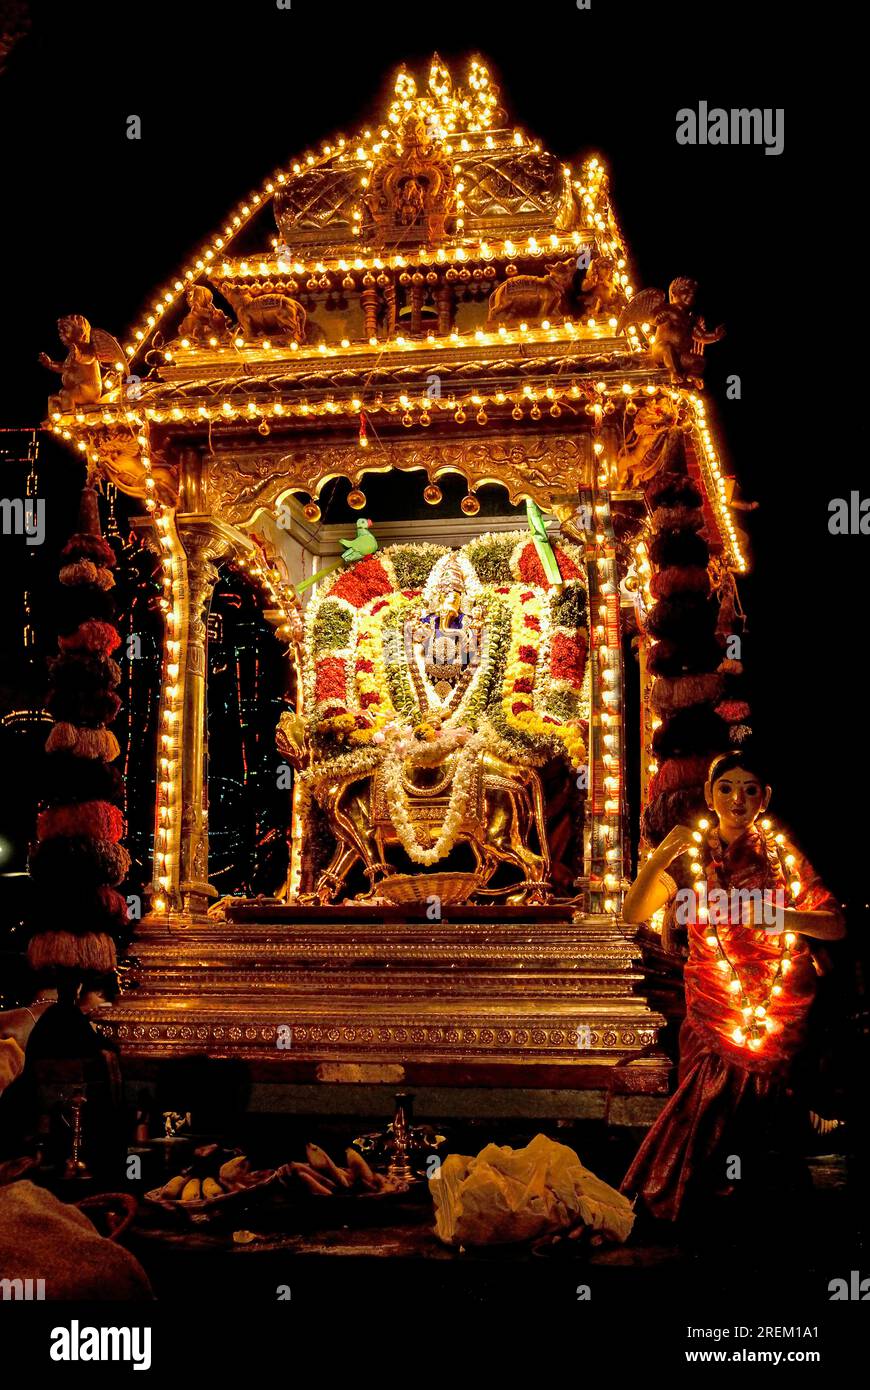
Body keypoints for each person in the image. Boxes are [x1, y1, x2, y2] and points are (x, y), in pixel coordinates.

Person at [620, 750, 844, 1223]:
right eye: (726, 787)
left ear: (765, 798)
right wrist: (663, 852)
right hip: (712, 1001)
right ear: (708, 794)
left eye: (749, 789)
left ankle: (760, 1214)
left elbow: (835, 925)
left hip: (777, 1008)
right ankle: (694, 1204)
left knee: (765, 1119)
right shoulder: (691, 858)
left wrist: (783, 918)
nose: (737, 799)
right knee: (704, 1100)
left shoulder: (784, 856)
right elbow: (632, 914)